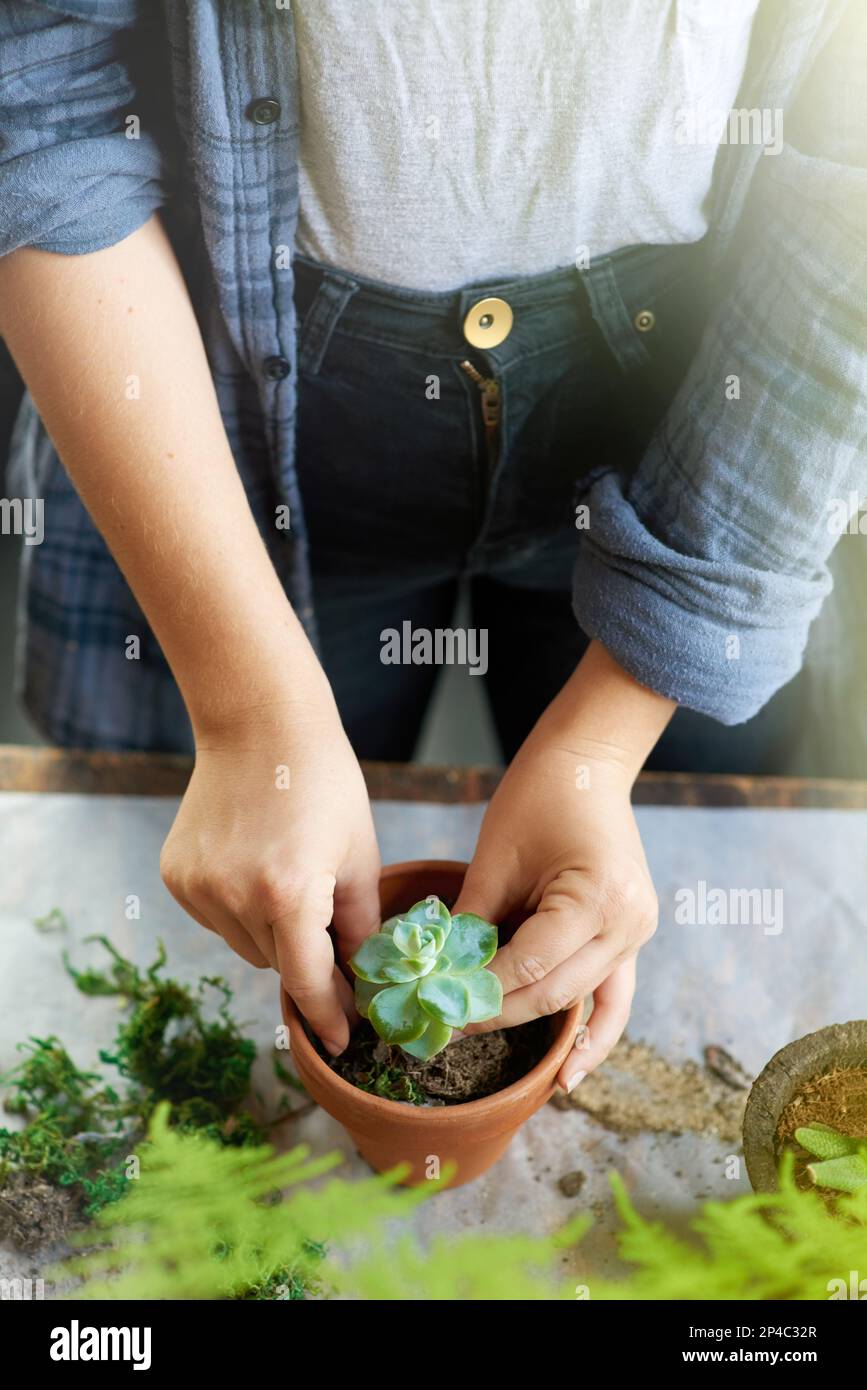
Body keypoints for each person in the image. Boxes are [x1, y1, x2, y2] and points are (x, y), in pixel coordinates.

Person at [0, 1, 863, 1094]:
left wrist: (603, 744)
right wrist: (246, 711)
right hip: (220, 435)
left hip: (697, 439)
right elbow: (38, 92)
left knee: (683, 871)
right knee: (249, 892)